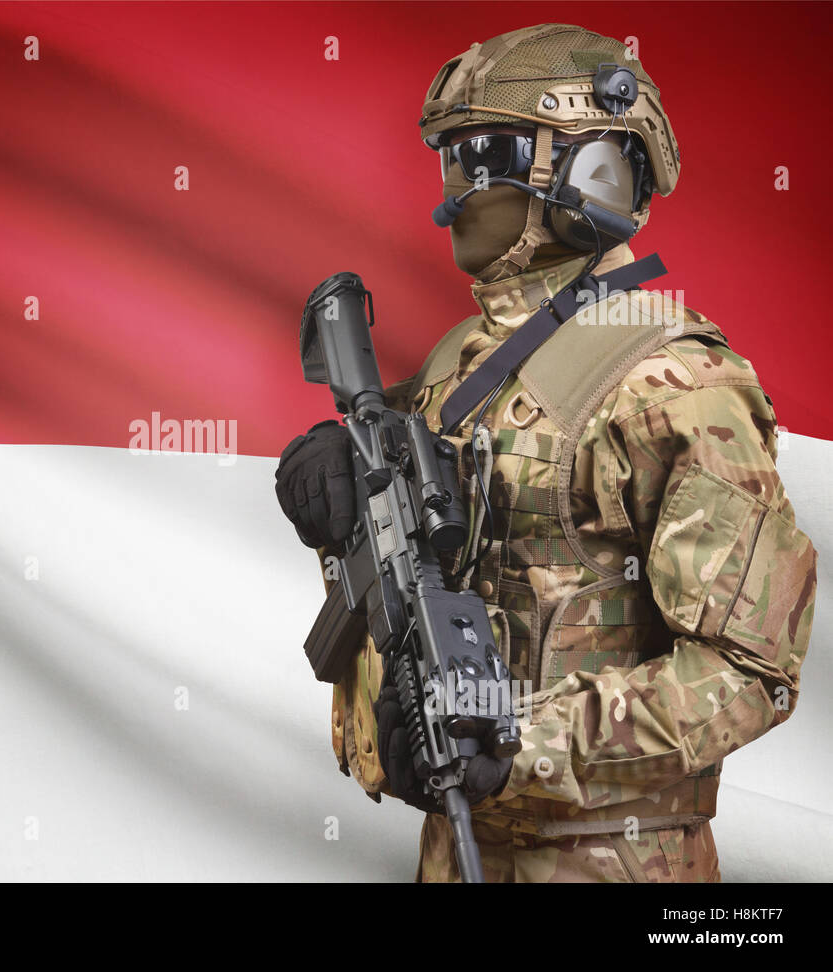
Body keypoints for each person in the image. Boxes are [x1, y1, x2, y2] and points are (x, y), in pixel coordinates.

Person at [274, 23, 817, 882]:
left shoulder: (675, 382)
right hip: (455, 850)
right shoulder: (464, 358)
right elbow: (431, 571)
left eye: (479, 151)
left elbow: (749, 671)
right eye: (450, 155)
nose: (455, 185)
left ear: (582, 172)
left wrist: (519, 740)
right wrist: (332, 496)